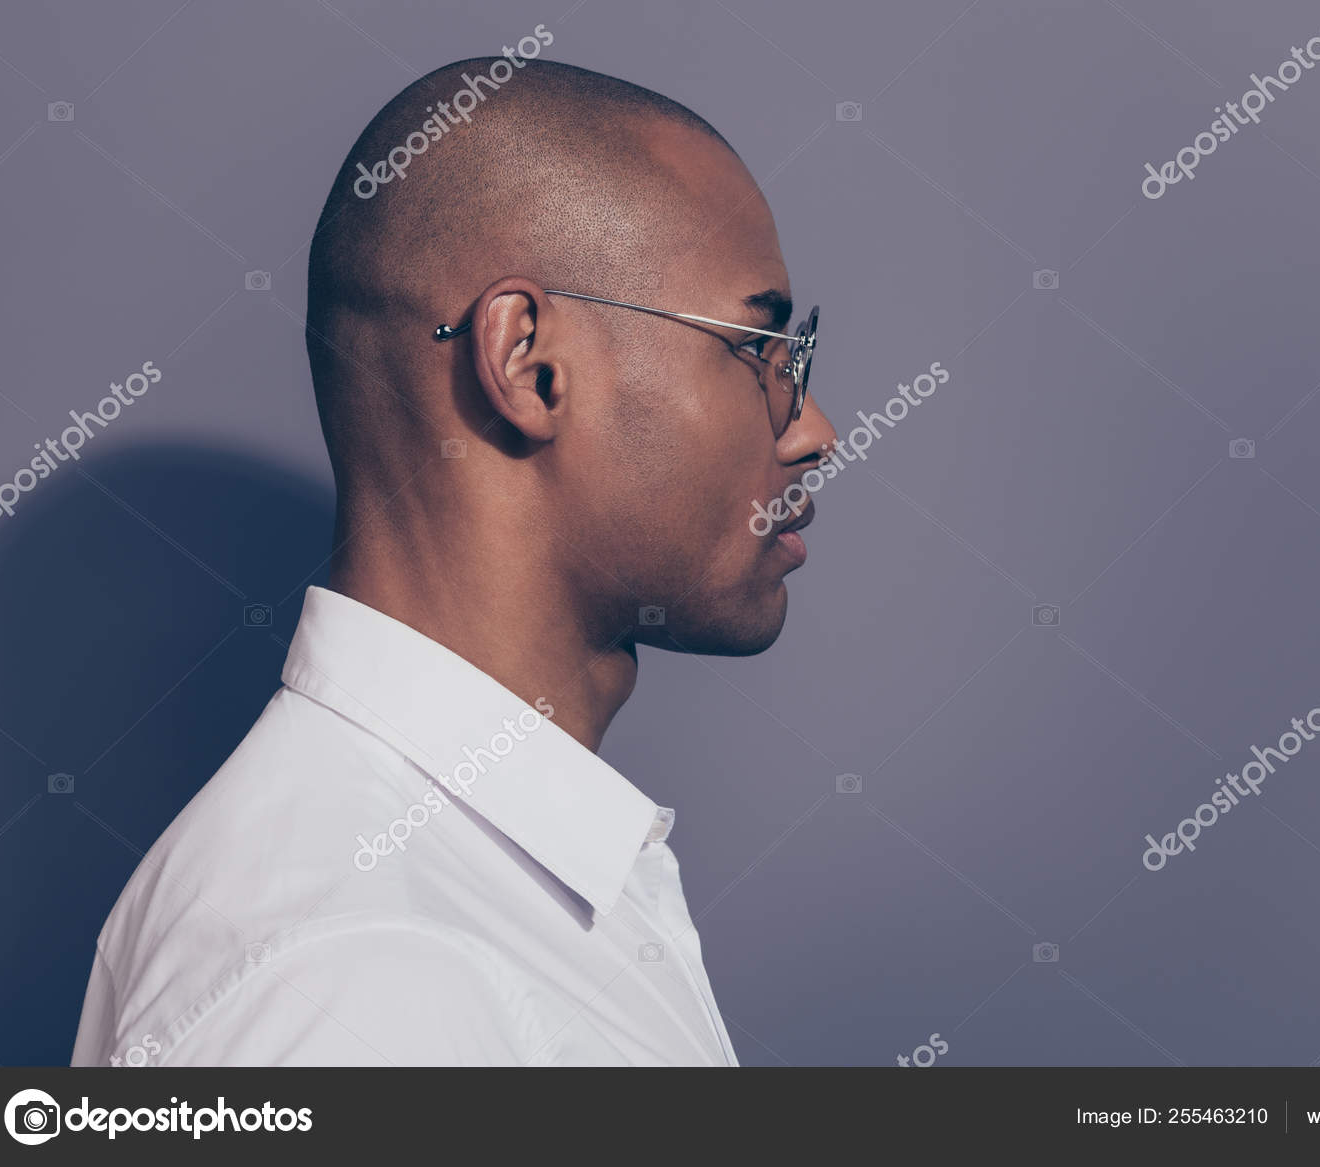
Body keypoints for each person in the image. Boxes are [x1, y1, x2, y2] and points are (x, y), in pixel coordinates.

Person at [70, 57, 835, 1067]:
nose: (814, 429)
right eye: (758, 349)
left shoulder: (438, 913)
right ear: (530, 365)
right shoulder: (360, 969)